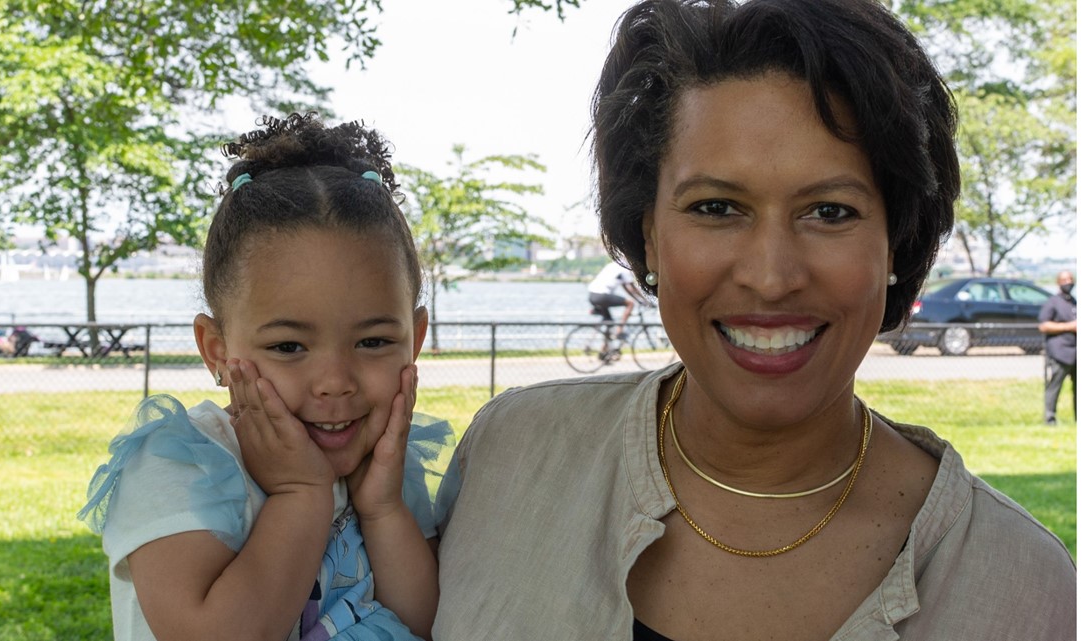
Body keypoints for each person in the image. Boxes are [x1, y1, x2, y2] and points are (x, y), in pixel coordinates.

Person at [432, 1, 1076, 639]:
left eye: (829, 212)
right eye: (716, 206)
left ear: (895, 244)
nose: (771, 277)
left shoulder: (1020, 583)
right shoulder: (509, 456)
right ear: (650, 234)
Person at [78, 114, 452, 641]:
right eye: (288, 347)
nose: (334, 382)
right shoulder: (180, 466)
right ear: (218, 350)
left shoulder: (387, 466)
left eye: (372, 342)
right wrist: (302, 494)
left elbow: (428, 623)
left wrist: (383, 508)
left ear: (414, 340)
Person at [1039, 270, 1076, 425]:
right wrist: (1069, 326)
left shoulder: (1074, 302)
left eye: (1070, 279)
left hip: (1076, 353)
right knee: (1054, 387)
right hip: (1059, 353)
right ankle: (1050, 419)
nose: (1068, 282)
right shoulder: (1053, 302)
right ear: (1058, 282)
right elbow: (1044, 325)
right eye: (1064, 279)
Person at [588, 260, 649, 339]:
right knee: (630, 304)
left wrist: (639, 300)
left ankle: (605, 349)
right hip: (601, 295)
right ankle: (619, 330)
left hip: (592, 295)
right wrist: (645, 301)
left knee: (609, 322)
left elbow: (627, 289)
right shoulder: (624, 269)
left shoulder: (613, 266)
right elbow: (633, 288)